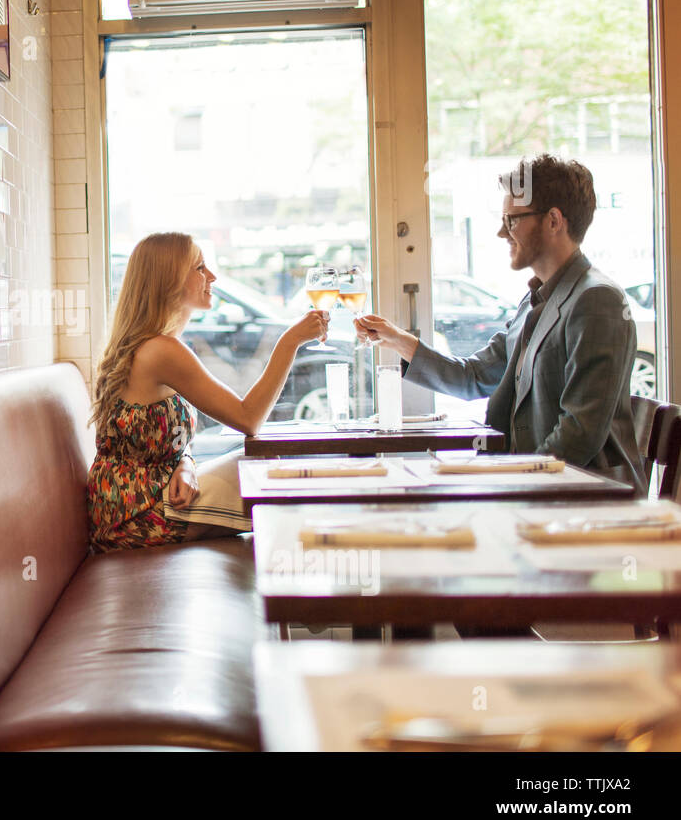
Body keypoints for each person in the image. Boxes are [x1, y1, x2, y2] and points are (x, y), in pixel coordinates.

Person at [356, 154, 646, 495]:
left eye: (512, 220)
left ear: (554, 221)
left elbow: (579, 433)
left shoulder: (597, 300)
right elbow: (474, 376)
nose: (501, 232)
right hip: (546, 489)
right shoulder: (537, 300)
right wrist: (397, 339)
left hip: (588, 503)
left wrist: (512, 486)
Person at [87, 232, 328, 553]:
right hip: (135, 518)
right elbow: (248, 418)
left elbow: (152, 444)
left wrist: (185, 464)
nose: (212, 276)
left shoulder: (151, 345)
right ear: (168, 280)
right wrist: (290, 341)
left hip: (139, 505)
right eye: (199, 267)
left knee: (269, 470)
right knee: (270, 470)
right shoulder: (161, 350)